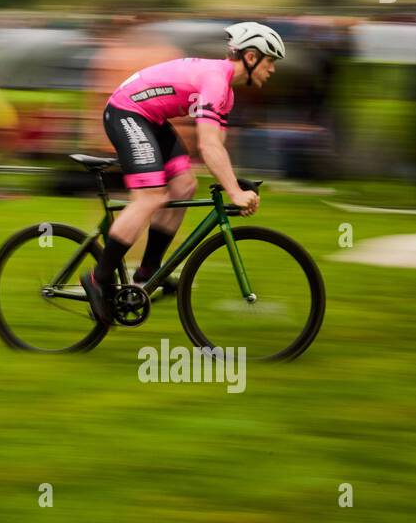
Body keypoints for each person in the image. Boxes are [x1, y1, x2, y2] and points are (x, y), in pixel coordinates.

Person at [80, 22, 286, 323]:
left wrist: (234, 183)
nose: (273, 70)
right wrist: (233, 192)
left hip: (149, 119)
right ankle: (98, 279)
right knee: (150, 197)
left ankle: (148, 273)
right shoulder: (216, 80)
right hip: (127, 112)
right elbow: (206, 146)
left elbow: (216, 145)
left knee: (184, 185)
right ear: (251, 58)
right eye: (270, 62)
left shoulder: (225, 91)